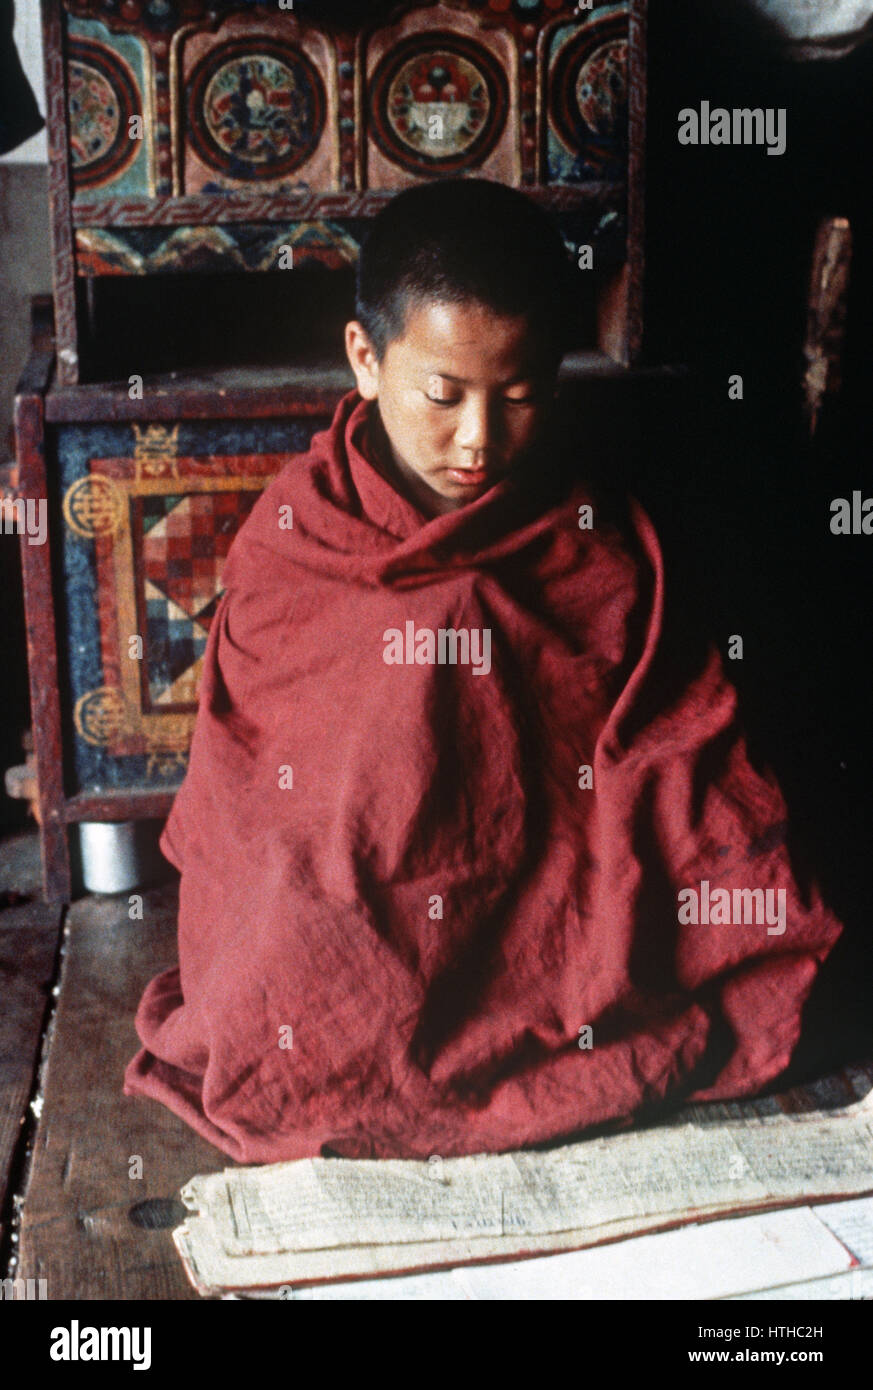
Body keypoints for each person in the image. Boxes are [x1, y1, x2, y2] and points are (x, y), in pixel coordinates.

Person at [124, 179, 842, 1162]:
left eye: (519, 396)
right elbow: (255, 799)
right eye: (444, 395)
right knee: (280, 1015)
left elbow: (677, 736)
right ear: (366, 360)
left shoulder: (590, 539)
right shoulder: (298, 539)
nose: (479, 439)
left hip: (544, 907)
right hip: (347, 891)